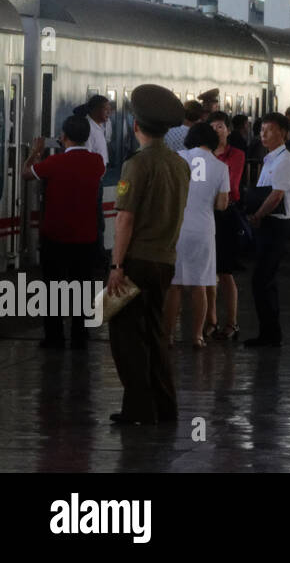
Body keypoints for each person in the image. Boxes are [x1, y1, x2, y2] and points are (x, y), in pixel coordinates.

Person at [105, 84, 189, 426]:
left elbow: (125, 218)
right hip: (165, 260)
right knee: (156, 334)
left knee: (127, 338)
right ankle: (165, 406)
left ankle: (139, 409)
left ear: (135, 125)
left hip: (136, 261)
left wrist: (116, 265)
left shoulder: (137, 164)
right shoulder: (179, 165)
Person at [22, 115, 106, 350]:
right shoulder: (96, 162)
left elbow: (26, 173)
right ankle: (80, 336)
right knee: (82, 285)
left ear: (63, 137)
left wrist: (35, 152)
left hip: (55, 236)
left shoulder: (54, 163)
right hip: (86, 236)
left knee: (53, 288)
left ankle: (54, 337)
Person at [163, 122, 228, 350]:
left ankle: (168, 335)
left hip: (176, 228)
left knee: (175, 285)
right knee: (200, 285)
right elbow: (222, 204)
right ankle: (197, 336)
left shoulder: (176, 158)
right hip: (203, 230)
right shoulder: (220, 167)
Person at [244, 113, 290, 347]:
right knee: (265, 279)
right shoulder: (270, 159)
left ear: (284, 133)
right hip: (268, 222)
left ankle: (270, 334)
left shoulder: (285, 161)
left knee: (262, 279)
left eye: (269, 130)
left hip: (276, 223)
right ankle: (269, 332)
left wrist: (258, 214)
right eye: (261, 130)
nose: (263, 135)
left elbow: (276, 195)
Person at [207, 112, 245, 341]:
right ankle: (211, 321)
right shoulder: (203, 156)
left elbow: (231, 184)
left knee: (225, 272)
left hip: (226, 215)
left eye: (220, 126)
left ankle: (232, 322)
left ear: (228, 130)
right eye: (212, 127)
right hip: (206, 214)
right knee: (207, 273)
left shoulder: (236, 155)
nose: (216, 131)